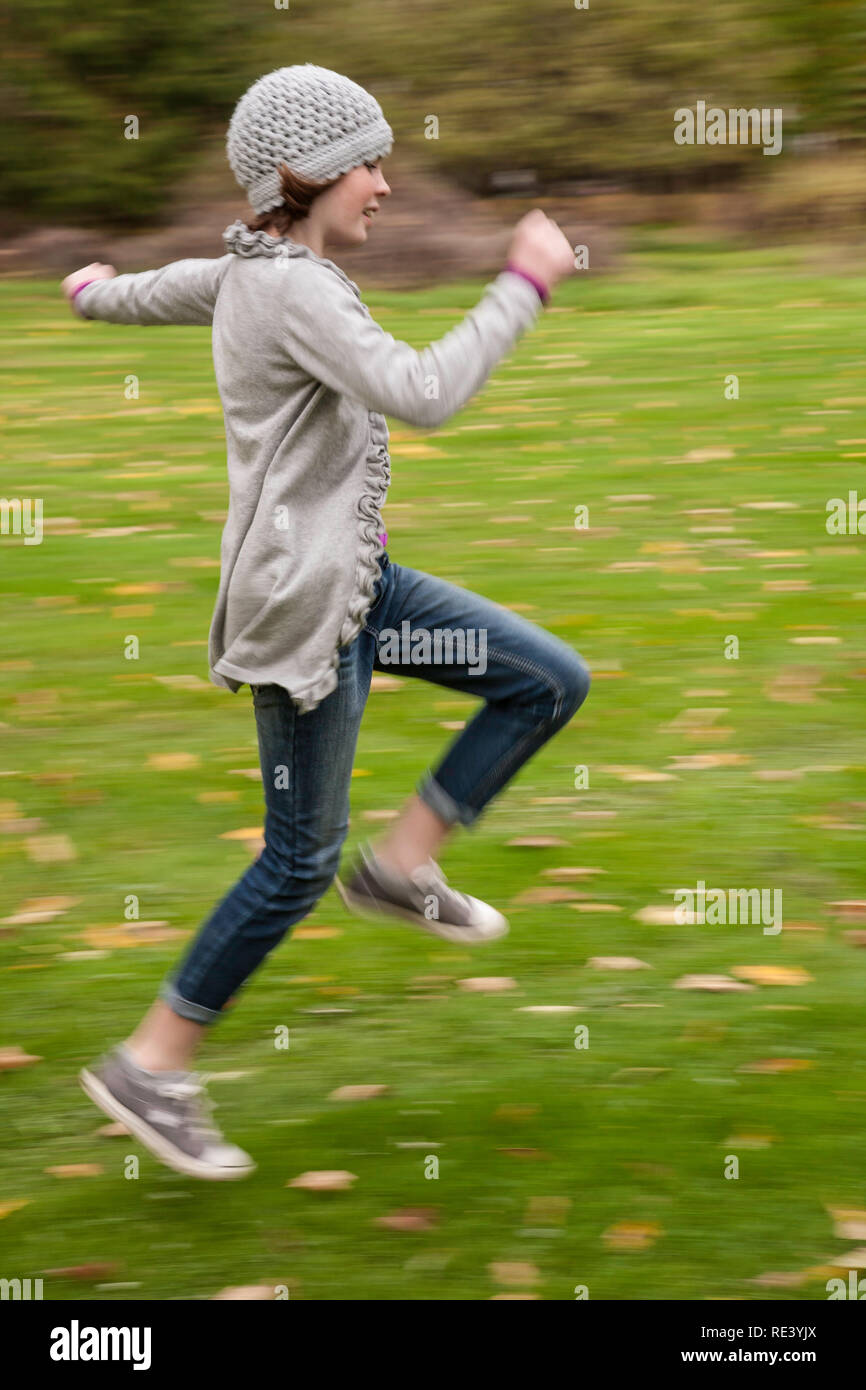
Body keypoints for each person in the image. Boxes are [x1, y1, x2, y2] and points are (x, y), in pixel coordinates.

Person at [62, 64, 590, 1181]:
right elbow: (425, 389)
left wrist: (99, 289)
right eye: (368, 162)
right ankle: (150, 1063)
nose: (387, 185)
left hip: (361, 585)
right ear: (301, 176)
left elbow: (168, 286)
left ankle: (401, 868)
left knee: (544, 680)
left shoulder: (255, 269)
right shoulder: (292, 288)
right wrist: (522, 282)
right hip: (307, 615)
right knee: (295, 864)